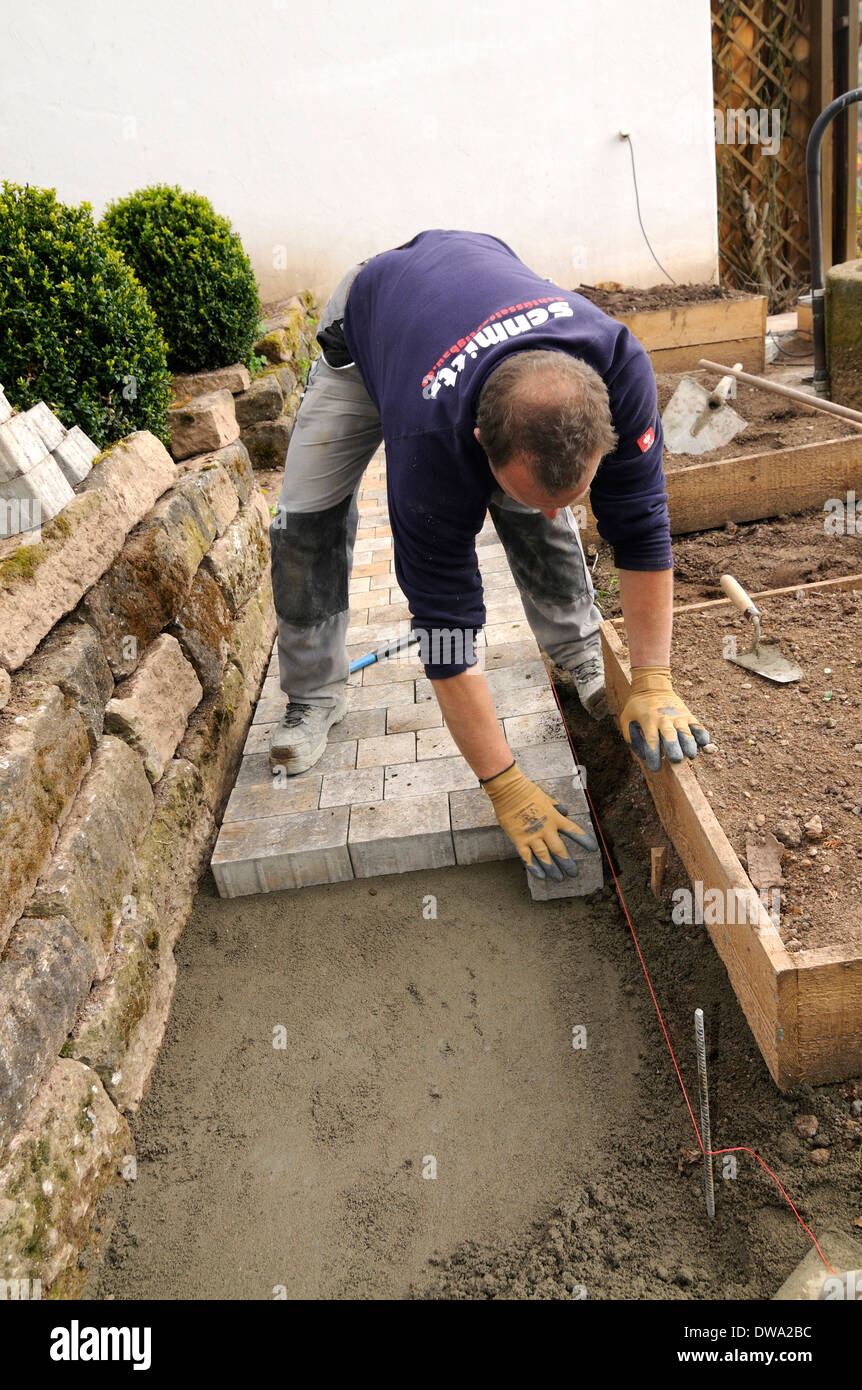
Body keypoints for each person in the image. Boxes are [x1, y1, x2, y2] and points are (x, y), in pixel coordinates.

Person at [269, 229, 709, 883]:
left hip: (471, 300)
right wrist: (503, 785)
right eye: (539, 492)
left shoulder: (619, 364)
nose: (562, 514)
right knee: (304, 524)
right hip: (363, 344)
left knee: (532, 508)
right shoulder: (428, 445)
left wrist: (652, 679)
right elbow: (445, 629)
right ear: (477, 441)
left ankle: (581, 652)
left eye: (575, 495)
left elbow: (643, 533)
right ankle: (312, 695)